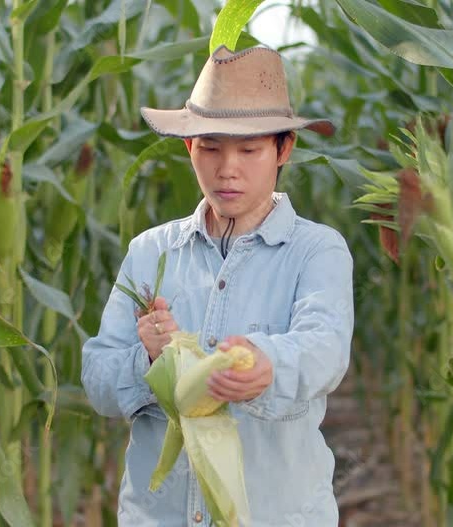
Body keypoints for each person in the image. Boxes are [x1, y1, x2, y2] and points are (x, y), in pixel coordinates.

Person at [81, 44, 354, 526]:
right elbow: (99, 381)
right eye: (210, 147)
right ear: (189, 148)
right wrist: (148, 359)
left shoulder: (316, 250)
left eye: (249, 150)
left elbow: (325, 348)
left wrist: (267, 365)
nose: (227, 168)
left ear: (283, 149)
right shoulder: (151, 252)